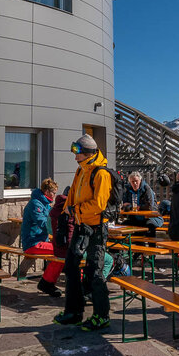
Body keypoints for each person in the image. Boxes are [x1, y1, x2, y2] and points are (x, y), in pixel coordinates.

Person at [54, 134, 113, 331]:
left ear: (87, 152)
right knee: (71, 267)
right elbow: (72, 195)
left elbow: (99, 204)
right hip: (81, 225)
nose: (75, 156)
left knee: (94, 271)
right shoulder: (81, 170)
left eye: (77, 152)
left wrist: (76, 211)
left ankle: (101, 315)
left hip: (96, 228)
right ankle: (74, 312)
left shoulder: (101, 173)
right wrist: (64, 217)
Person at [18, 178, 63, 296]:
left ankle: (48, 282)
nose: (54, 196)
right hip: (32, 243)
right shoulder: (35, 204)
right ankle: (47, 283)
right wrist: (58, 230)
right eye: (53, 193)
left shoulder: (45, 204)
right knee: (62, 252)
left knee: (62, 252)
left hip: (40, 241)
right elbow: (43, 223)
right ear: (47, 192)